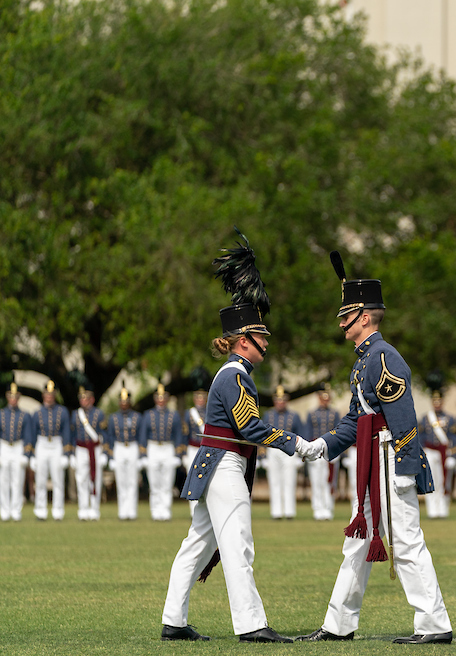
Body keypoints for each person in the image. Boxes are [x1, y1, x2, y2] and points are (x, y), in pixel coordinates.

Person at [296, 251, 451, 645]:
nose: (341, 322)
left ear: (364, 316)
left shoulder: (384, 357)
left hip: (387, 456)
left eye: (346, 315)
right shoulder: (364, 359)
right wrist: (322, 445)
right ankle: (338, 624)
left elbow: (403, 418)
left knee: (406, 540)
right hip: (371, 455)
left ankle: (434, 625)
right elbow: (356, 419)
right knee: (357, 541)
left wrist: (406, 467)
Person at [161, 231, 308, 643]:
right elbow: (251, 427)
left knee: (197, 546)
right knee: (238, 545)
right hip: (224, 468)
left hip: (218, 466)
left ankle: (173, 620)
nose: (266, 344)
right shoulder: (235, 376)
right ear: (244, 341)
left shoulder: (231, 375)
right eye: (261, 338)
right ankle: (250, 625)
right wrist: (296, 444)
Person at [140, 384, 184, 522]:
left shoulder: (174, 415)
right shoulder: (148, 415)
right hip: (153, 447)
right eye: (158, 397)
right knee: (154, 481)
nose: (161, 400)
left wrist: (178, 455)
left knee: (167, 481)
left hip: (167, 447)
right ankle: (155, 509)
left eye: (163, 397)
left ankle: (165, 509)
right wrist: (143, 455)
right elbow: (143, 435)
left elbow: (178, 436)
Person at [31, 380, 72, 522]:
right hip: (42, 443)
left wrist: (66, 453)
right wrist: (31, 455)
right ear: (43, 395)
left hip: (56, 443)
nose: (49, 397)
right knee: (40, 479)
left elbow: (66, 432)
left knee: (58, 479)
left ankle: (58, 511)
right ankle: (40, 510)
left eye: (52, 394)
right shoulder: (37, 413)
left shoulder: (62, 411)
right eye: (47, 394)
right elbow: (32, 434)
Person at [416, 381, 456, 519]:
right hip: (431, 452)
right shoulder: (425, 419)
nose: (437, 403)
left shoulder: (450, 419)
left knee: (444, 482)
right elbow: (420, 437)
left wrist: (453, 454)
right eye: (435, 401)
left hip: (444, 453)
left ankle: (443, 509)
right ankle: (433, 510)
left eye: (439, 401)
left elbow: (454, 437)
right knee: (431, 481)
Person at [0, 384, 32, 522]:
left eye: (15, 397)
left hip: (18, 446)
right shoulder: (0, 414)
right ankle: (4, 510)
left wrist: (26, 454)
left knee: (17, 480)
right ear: (7, 397)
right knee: (3, 480)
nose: (13, 399)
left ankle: (16, 510)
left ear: (18, 398)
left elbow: (28, 436)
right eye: (11, 396)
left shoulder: (24, 415)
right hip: (4, 447)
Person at [263, 386, 302, 520]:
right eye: (278, 400)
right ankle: (276, 512)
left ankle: (289, 511)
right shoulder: (268, 415)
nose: (280, 403)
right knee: (274, 481)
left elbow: (300, 435)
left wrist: (300, 454)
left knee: (289, 481)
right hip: (272, 451)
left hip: (289, 451)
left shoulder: (294, 416)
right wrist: (262, 455)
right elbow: (262, 436)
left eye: (283, 400)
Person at [306, 384, 344, 521]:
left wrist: (338, 451)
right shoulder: (312, 414)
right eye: (322, 398)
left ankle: (328, 508)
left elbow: (339, 433)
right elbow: (308, 434)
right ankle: (317, 508)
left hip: (330, 450)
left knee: (329, 481)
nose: (324, 400)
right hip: (315, 451)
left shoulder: (335, 414)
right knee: (316, 480)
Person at [71, 383, 108, 521]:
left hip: (95, 449)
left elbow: (105, 433)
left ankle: (94, 508)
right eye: (81, 398)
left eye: (86, 398)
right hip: (81, 449)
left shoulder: (99, 414)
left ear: (92, 399)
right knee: (81, 479)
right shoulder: (76, 414)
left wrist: (105, 453)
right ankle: (83, 508)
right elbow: (72, 433)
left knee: (96, 479)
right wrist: (71, 453)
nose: (83, 401)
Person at [110, 384, 142, 521]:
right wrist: (110, 455)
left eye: (126, 401)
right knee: (121, 480)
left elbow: (141, 435)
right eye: (122, 401)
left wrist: (142, 455)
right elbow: (110, 436)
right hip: (119, 447)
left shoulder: (137, 417)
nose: (124, 404)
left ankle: (132, 510)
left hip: (132, 446)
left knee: (132, 480)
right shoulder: (113, 418)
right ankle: (123, 510)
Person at [182, 387, 207, 474]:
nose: (200, 400)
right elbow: (185, 434)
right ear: (194, 399)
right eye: (198, 398)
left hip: (205, 448)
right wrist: (184, 453)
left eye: (202, 398)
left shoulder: (209, 413)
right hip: (192, 448)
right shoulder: (189, 413)